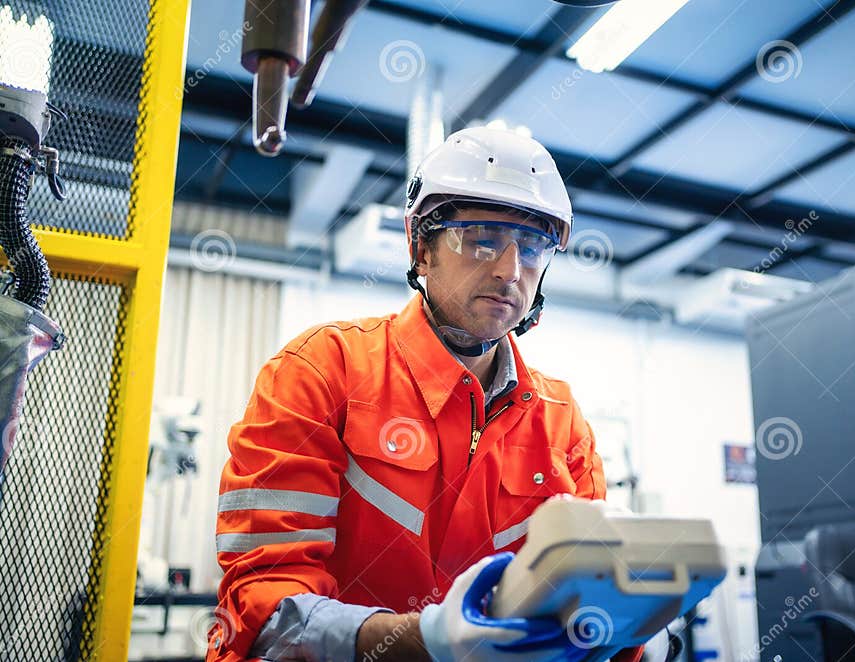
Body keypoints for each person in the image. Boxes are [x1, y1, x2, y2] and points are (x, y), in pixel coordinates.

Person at [206, 127, 667, 661]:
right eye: (483, 239)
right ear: (421, 248)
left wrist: (638, 636)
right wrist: (428, 642)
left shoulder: (562, 425)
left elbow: (585, 600)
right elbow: (264, 607)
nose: (510, 270)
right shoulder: (321, 372)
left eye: (534, 246)